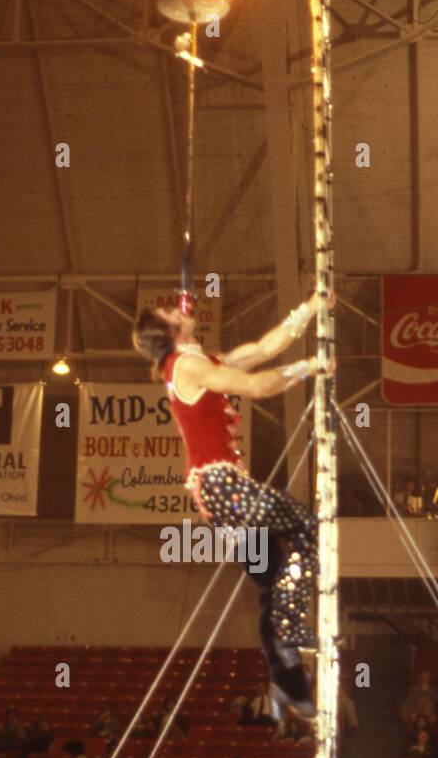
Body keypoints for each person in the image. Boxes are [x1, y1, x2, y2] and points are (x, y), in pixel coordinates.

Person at [133, 293, 324, 718]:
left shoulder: (199, 363)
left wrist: (308, 309)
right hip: (223, 488)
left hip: (220, 497)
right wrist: (310, 368)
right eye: (171, 313)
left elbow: (259, 351)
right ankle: (291, 631)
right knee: (306, 526)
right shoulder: (190, 366)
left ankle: (287, 681)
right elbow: (256, 386)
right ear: (169, 332)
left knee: (271, 581)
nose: (181, 311)